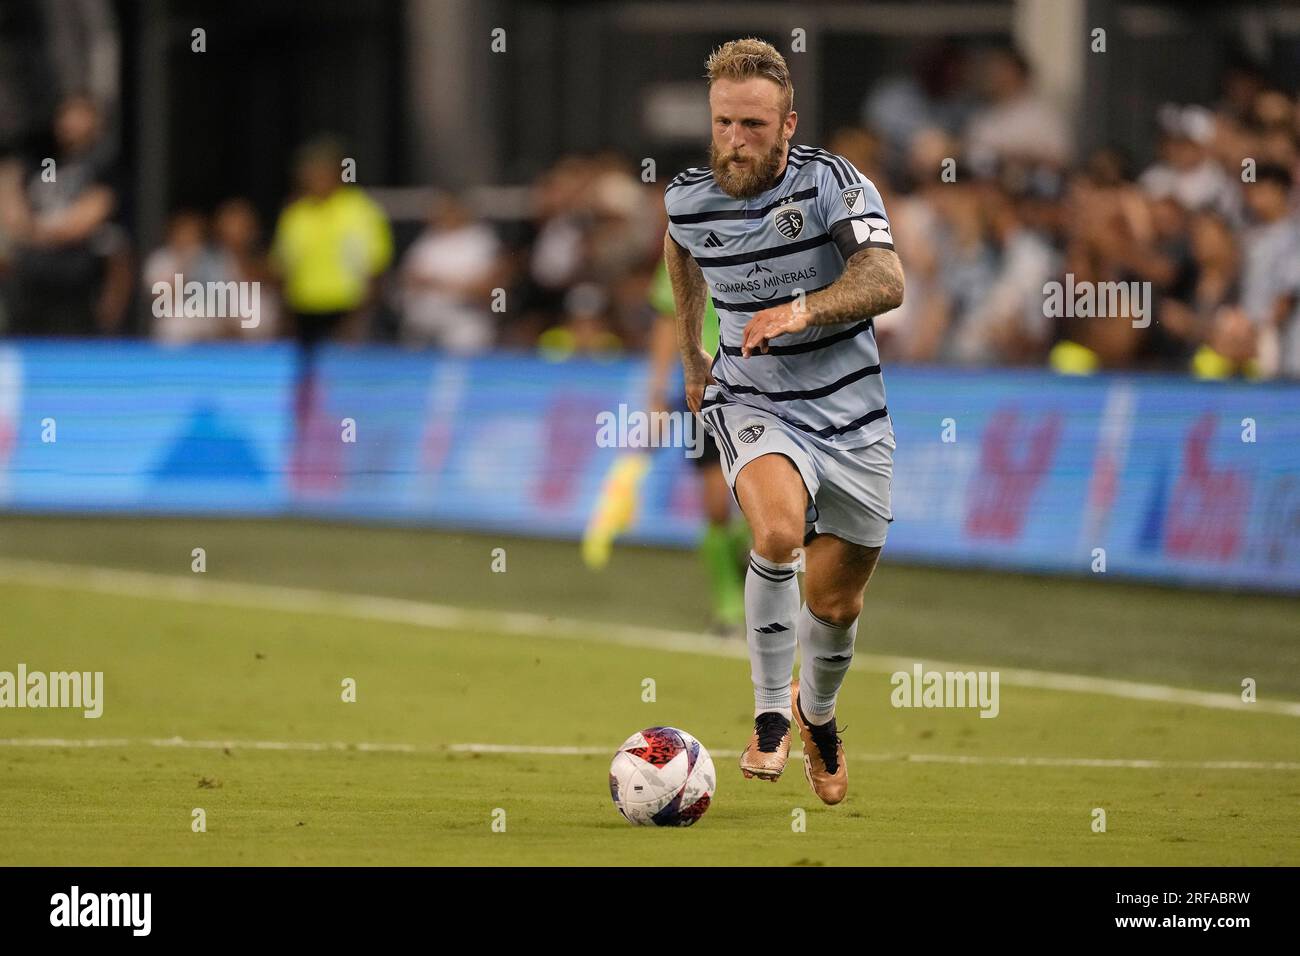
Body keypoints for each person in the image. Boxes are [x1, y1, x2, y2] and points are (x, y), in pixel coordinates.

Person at [663, 38, 904, 805]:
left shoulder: (833, 184)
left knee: (837, 605)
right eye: (725, 123)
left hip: (853, 412)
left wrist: (803, 309)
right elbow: (680, 249)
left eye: (755, 126)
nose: (736, 140)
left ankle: (816, 712)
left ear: (788, 124)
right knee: (773, 535)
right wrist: (693, 356)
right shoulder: (688, 198)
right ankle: (769, 712)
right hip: (754, 401)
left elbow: (886, 278)